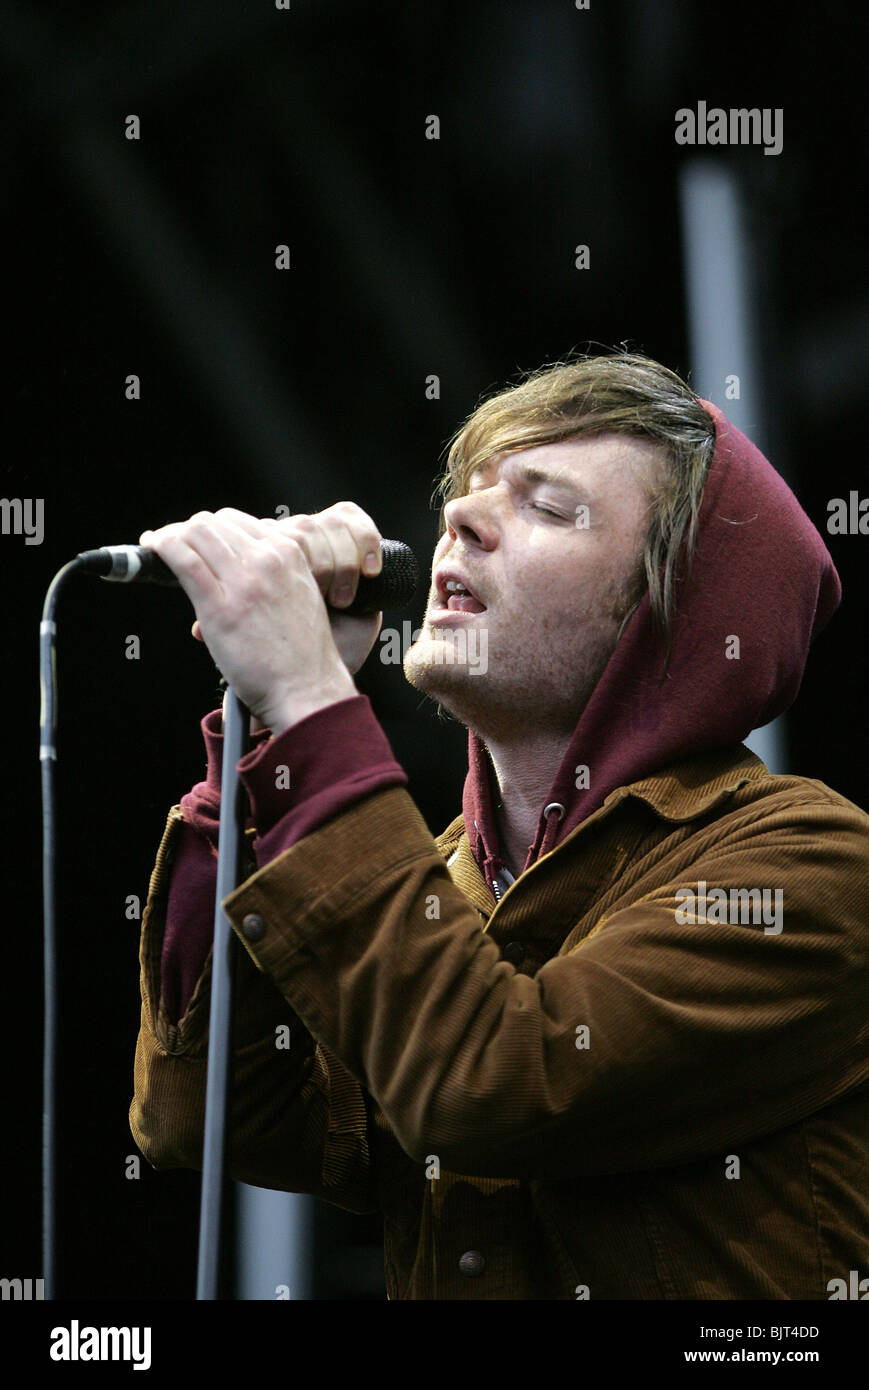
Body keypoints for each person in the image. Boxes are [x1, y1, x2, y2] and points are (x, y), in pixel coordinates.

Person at [130, 351, 869, 1300]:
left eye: (547, 506)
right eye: (472, 488)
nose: (458, 517)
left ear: (669, 614)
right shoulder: (439, 882)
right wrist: (266, 740)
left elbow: (501, 1079)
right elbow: (204, 1117)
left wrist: (314, 705)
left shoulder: (811, 868)